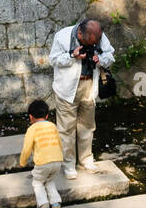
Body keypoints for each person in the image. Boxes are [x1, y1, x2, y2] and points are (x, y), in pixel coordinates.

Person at [48, 18, 115, 179]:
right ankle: (68, 164)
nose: (91, 45)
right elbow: (53, 60)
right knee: (66, 129)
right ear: (80, 33)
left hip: (89, 85)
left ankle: (85, 160)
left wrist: (101, 60)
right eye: (87, 42)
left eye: (94, 43)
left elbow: (110, 56)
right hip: (67, 88)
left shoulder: (100, 36)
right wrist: (72, 56)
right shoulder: (62, 36)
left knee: (87, 126)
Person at [19, 99, 64, 208]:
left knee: (38, 182)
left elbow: (26, 149)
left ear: (31, 117)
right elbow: (60, 142)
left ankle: (43, 204)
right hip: (57, 161)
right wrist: (60, 157)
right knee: (50, 181)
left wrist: (22, 162)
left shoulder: (31, 129)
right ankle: (55, 204)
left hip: (43, 162)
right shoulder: (53, 126)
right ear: (47, 115)